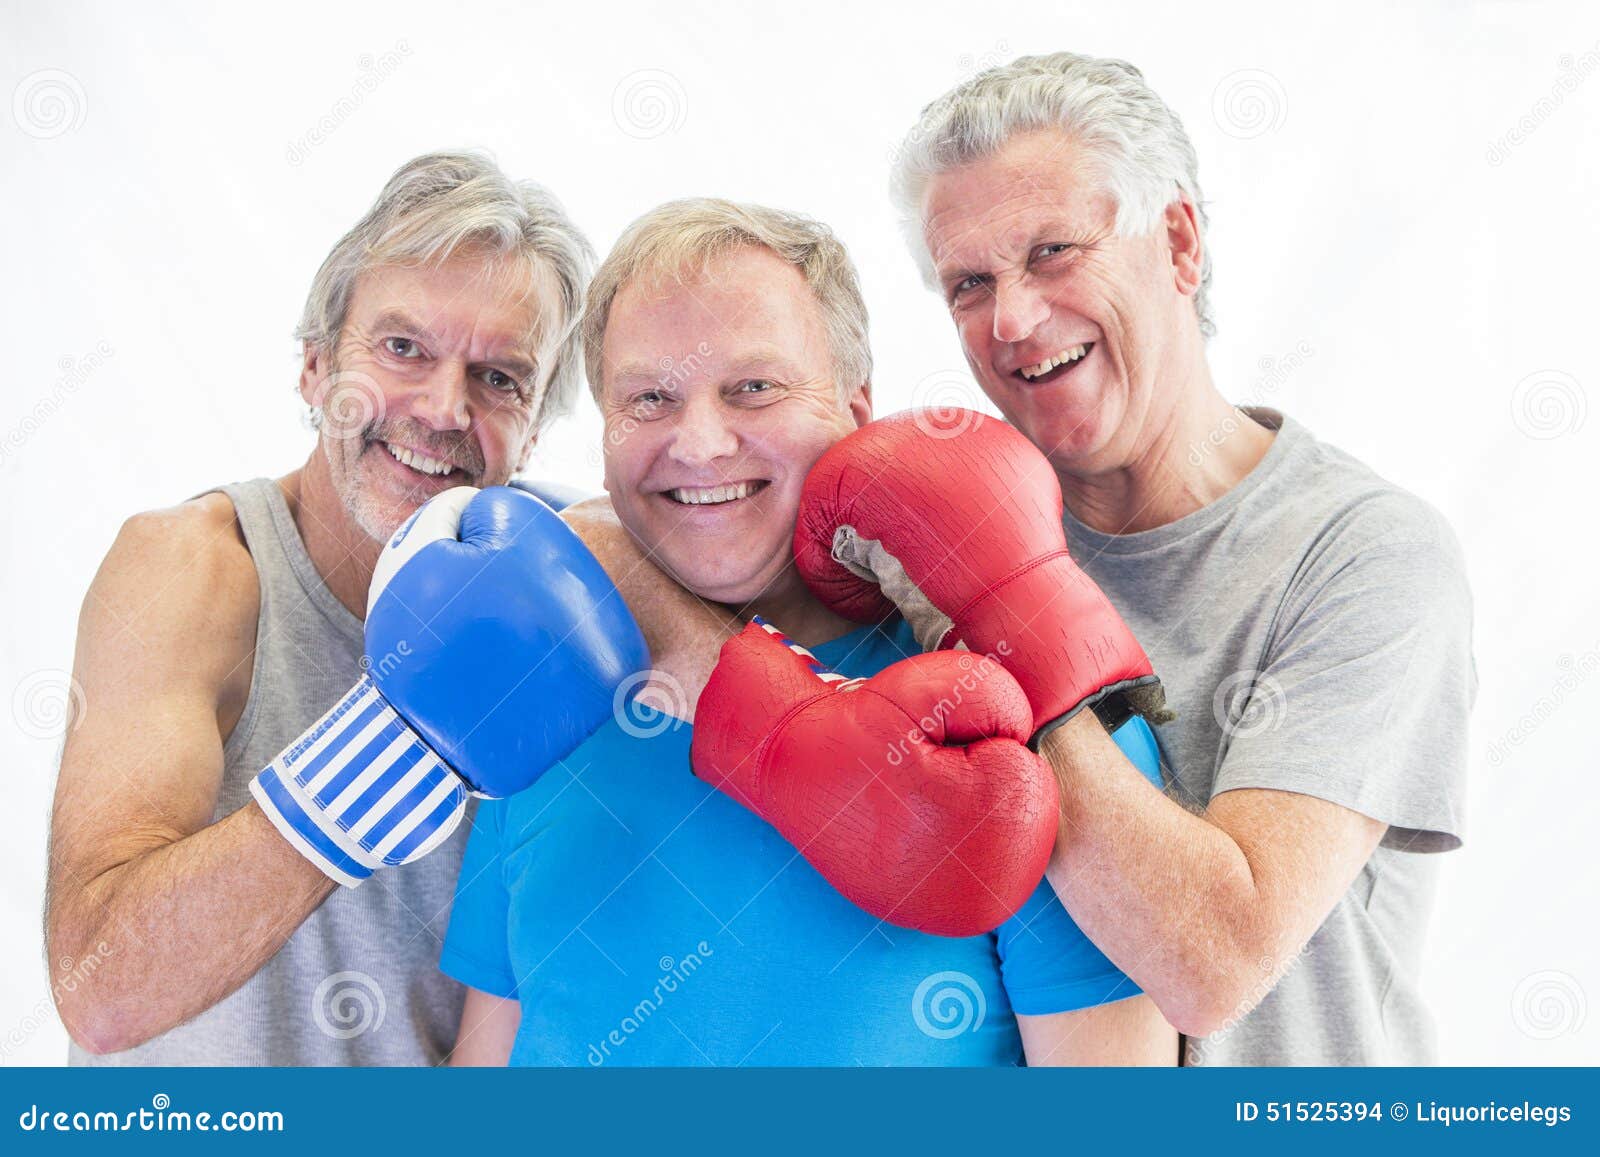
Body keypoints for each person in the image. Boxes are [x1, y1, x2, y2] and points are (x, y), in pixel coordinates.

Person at [442, 198, 1177, 1067]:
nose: (700, 443)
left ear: (857, 409)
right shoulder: (541, 685)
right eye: (650, 398)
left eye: (754, 387)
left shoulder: (1014, 715)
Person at [884, 52, 1476, 1064]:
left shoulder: (1362, 554)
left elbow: (1214, 961)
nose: (1011, 320)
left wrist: (983, 613)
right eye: (969, 283)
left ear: (1178, 242)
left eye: (1053, 252)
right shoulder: (933, 539)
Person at [45, 151, 687, 1064]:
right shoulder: (192, 569)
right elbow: (101, 993)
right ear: (315, 366)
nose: (444, 407)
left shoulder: (572, 585)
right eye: (403, 348)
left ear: (537, 426)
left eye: (499, 378)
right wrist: (400, 739)